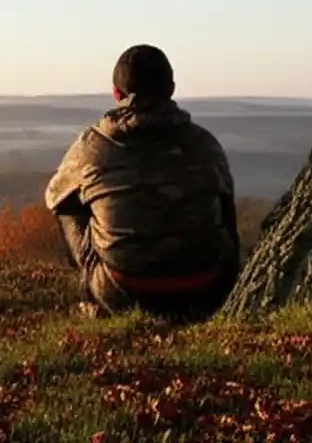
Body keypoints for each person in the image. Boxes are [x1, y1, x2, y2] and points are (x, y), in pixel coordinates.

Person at [45, 44, 241, 322]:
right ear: (171, 89)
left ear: (116, 94)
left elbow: (55, 196)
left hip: (123, 291)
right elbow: (227, 217)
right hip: (206, 289)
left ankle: (90, 298)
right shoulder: (205, 143)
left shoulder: (93, 145)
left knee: (67, 206)